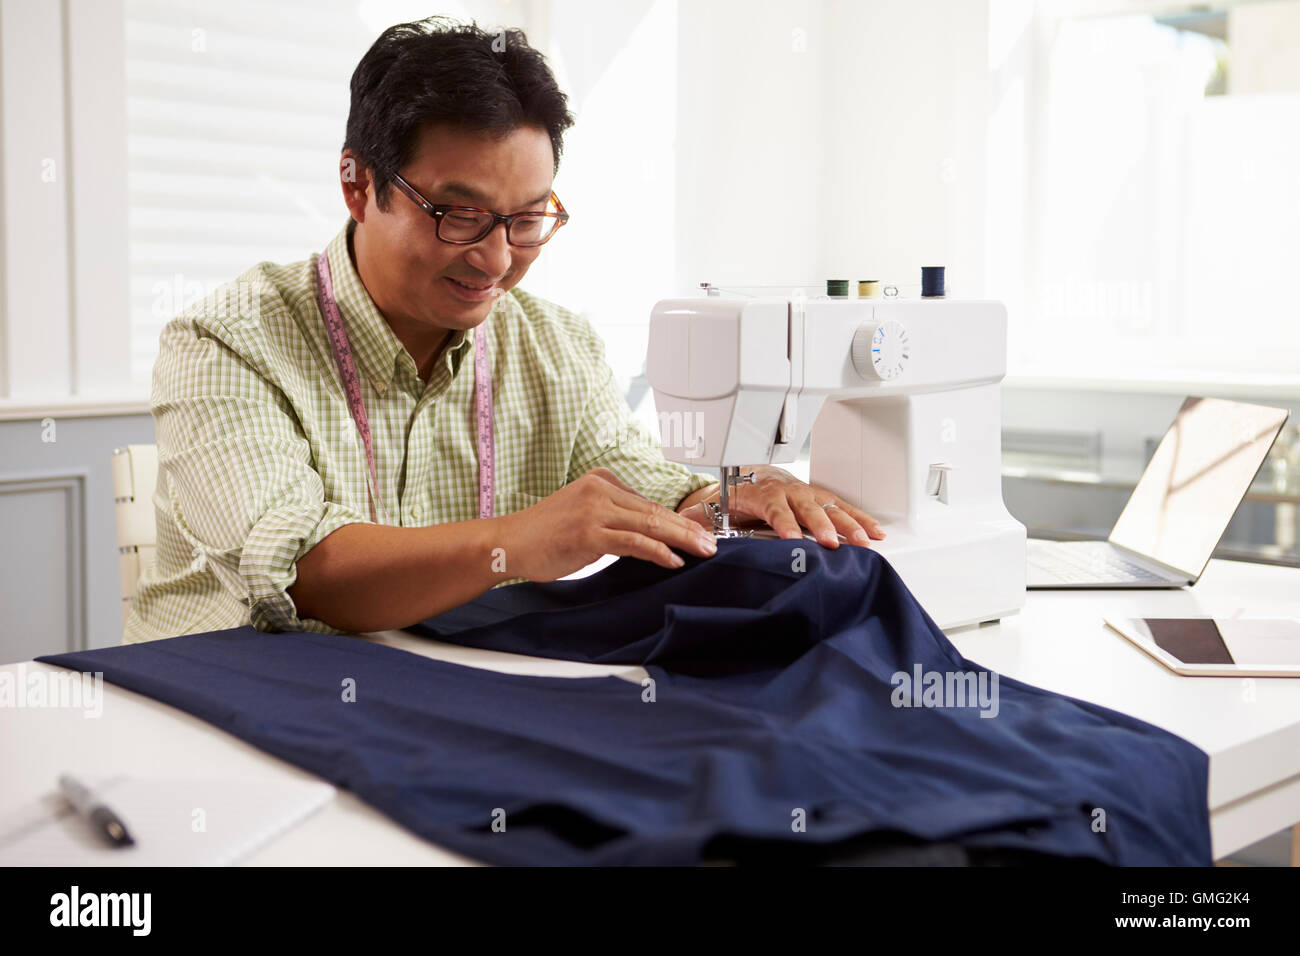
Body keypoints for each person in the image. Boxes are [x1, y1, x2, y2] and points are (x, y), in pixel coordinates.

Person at [123, 17, 884, 645]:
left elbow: (641, 480)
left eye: (527, 220)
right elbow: (310, 578)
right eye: (460, 215)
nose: (496, 259)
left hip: (440, 692)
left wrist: (731, 494)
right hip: (223, 708)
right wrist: (519, 541)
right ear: (358, 184)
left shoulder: (554, 345)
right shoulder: (224, 342)